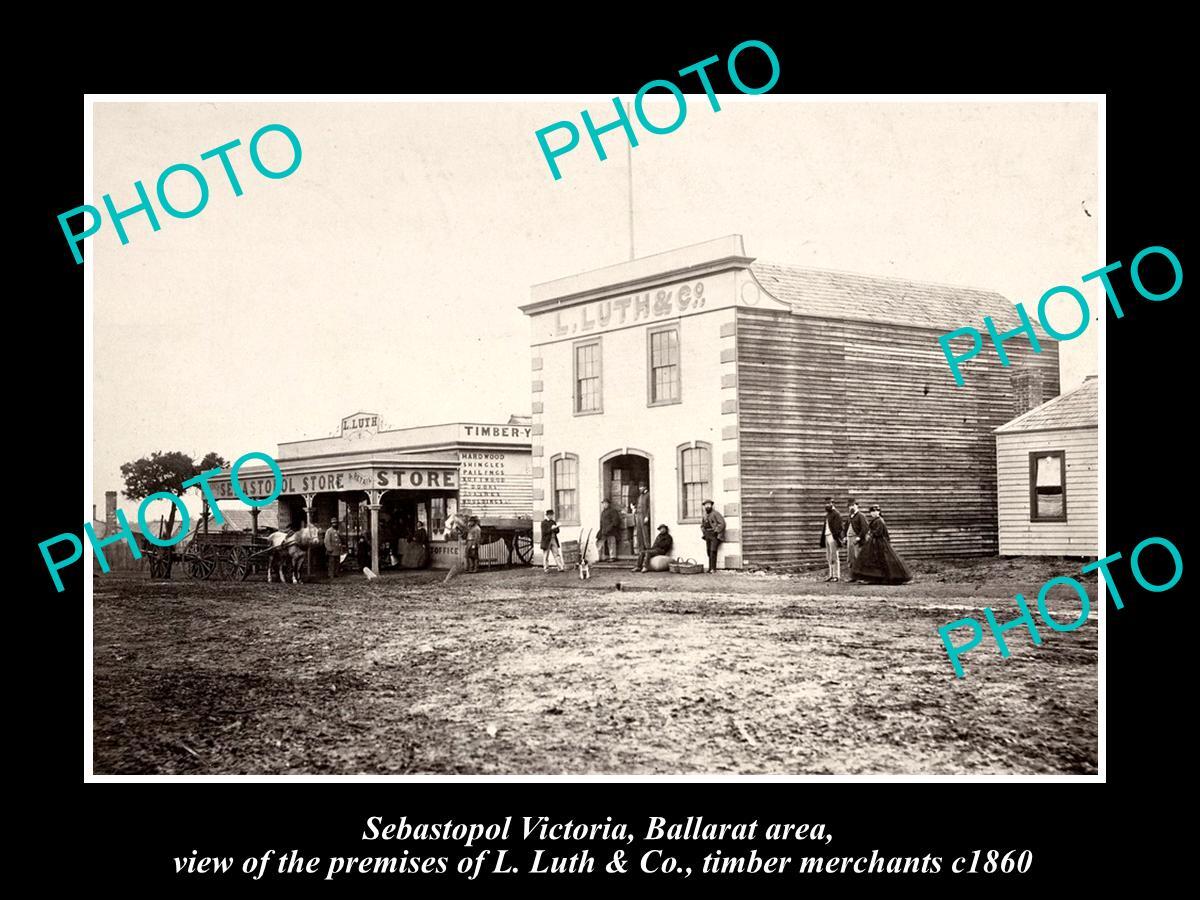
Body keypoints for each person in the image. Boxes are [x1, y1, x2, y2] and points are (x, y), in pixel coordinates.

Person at [851, 505, 913, 584]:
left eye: (876, 511)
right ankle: (875, 578)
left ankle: (883, 577)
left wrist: (871, 534)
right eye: (872, 512)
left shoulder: (880, 520)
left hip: (879, 542)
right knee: (873, 559)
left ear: (879, 512)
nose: (874, 513)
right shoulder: (875, 520)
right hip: (874, 541)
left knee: (881, 559)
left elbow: (879, 532)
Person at [818, 498, 844, 582]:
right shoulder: (828, 514)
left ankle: (836, 575)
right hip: (827, 536)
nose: (827, 505)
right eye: (826, 503)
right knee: (829, 557)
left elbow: (838, 527)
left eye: (829, 503)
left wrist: (836, 537)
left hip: (833, 537)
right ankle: (831, 574)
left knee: (834, 556)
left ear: (832, 504)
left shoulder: (836, 514)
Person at [842, 498, 868, 582]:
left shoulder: (861, 516)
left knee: (858, 557)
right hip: (849, 539)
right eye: (849, 506)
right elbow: (845, 528)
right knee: (850, 558)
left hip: (857, 539)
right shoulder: (849, 517)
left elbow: (865, 528)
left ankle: (862, 577)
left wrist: (859, 537)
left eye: (853, 505)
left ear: (857, 506)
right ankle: (853, 576)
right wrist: (845, 537)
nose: (851, 507)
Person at [700, 499, 726, 574]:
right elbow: (702, 525)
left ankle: (713, 569)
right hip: (707, 535)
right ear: (704, 506)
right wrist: (704, 531)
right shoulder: (704, 515)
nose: (707, 506)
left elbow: (722, 523)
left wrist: (716, 531)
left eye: (709, 505)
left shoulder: (716, 513)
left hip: (715, 535)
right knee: (708, 551)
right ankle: (710, 568)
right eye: (706, 505)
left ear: (711, 506)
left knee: (713, 551)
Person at [632, 485, 651, 572]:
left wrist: (647, 516)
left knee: (646, 540)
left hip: (644, 517)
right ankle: (638, 565)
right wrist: (634, 508)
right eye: (639, 487)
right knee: (640, 539)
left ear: (645, 487)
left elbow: (649, 507)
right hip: (639, 517)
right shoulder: (640, 496)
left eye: (641, 487)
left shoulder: (648, 495)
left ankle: (646, 565)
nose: (640, 488)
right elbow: (637, 505)